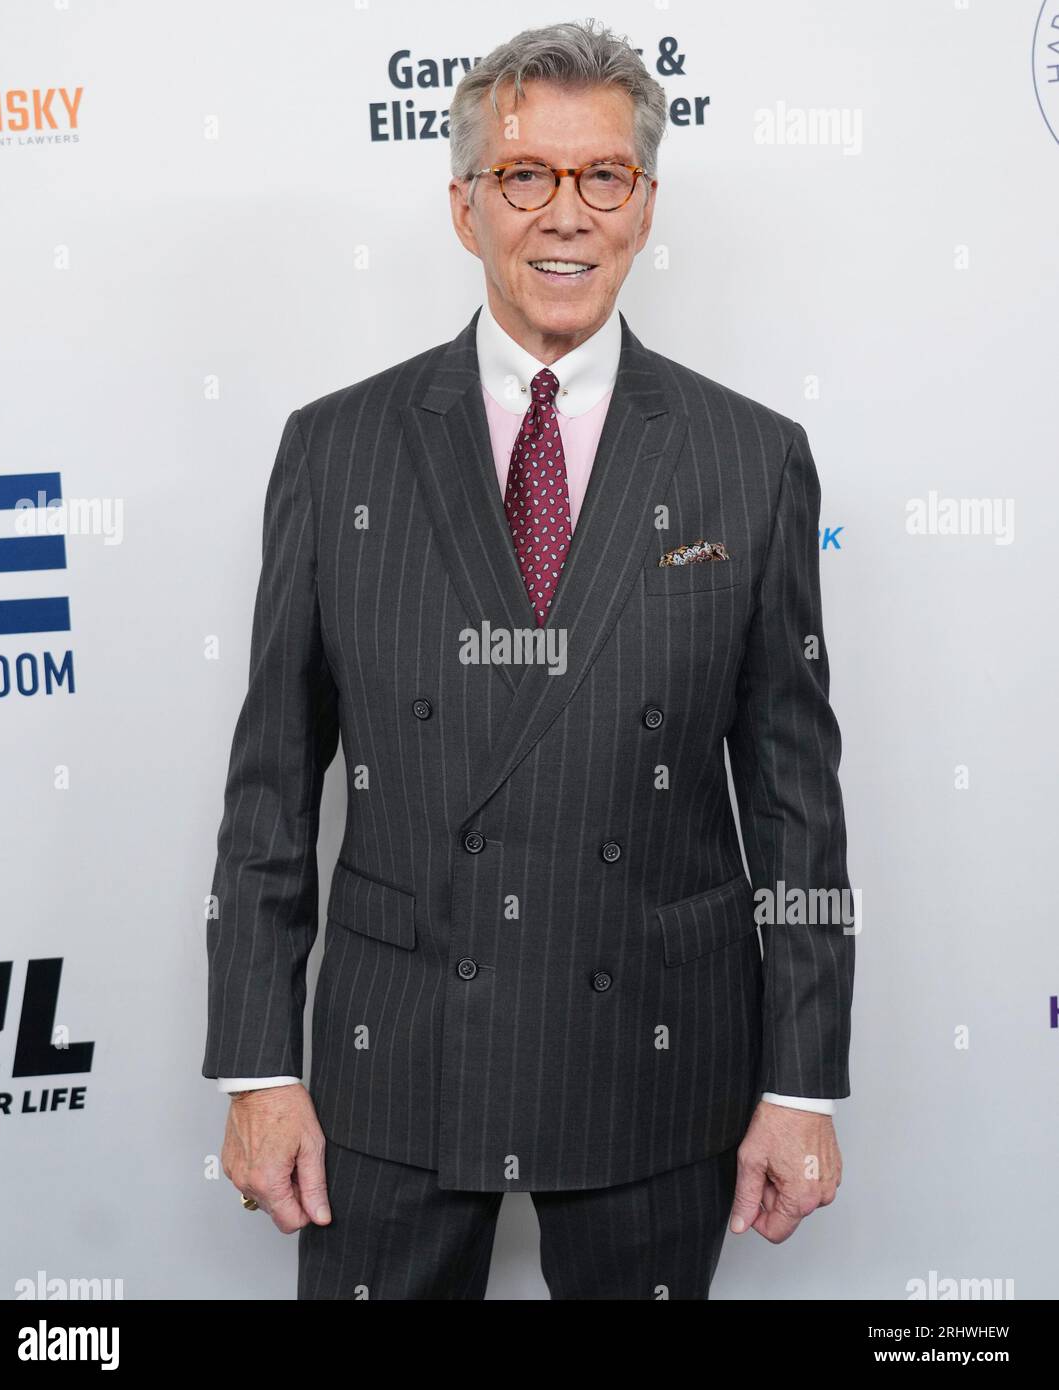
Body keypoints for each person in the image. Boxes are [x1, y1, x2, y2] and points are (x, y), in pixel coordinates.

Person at [203, 18, 854, 1300]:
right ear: (463, 208)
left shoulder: (748, 457)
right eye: (524, 178)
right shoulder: (336, 448)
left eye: (601, 176)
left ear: (645, 203)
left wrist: (798, 1079)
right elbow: (271, 780)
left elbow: (794, 805)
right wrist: (255, 1066)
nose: (566, 215)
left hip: (655, 1059)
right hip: (392, 1058)